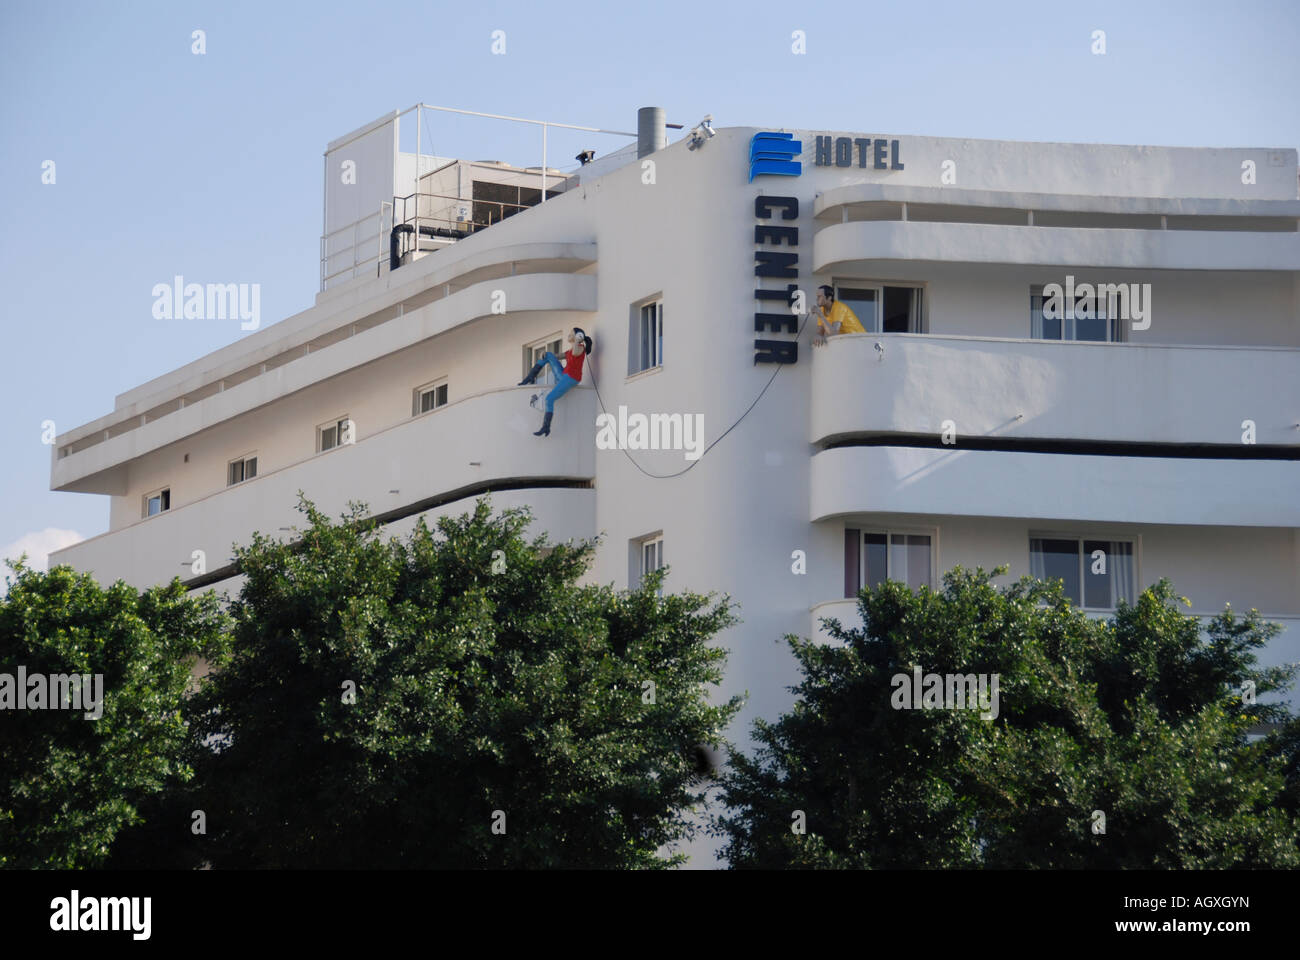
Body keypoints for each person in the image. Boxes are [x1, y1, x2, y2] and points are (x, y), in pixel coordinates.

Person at [519, 327, 592, 436]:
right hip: (563, 375)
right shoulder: (570, 351)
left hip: (571, 378)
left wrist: (578, 340)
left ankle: (546, 427)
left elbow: (576, 352)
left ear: (578, 336)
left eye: (571, 333)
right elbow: (556, 357)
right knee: (548, 355)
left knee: (549, 399)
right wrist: (544, 354)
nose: (569, 335)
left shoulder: (580, 348)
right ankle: (530, 377)